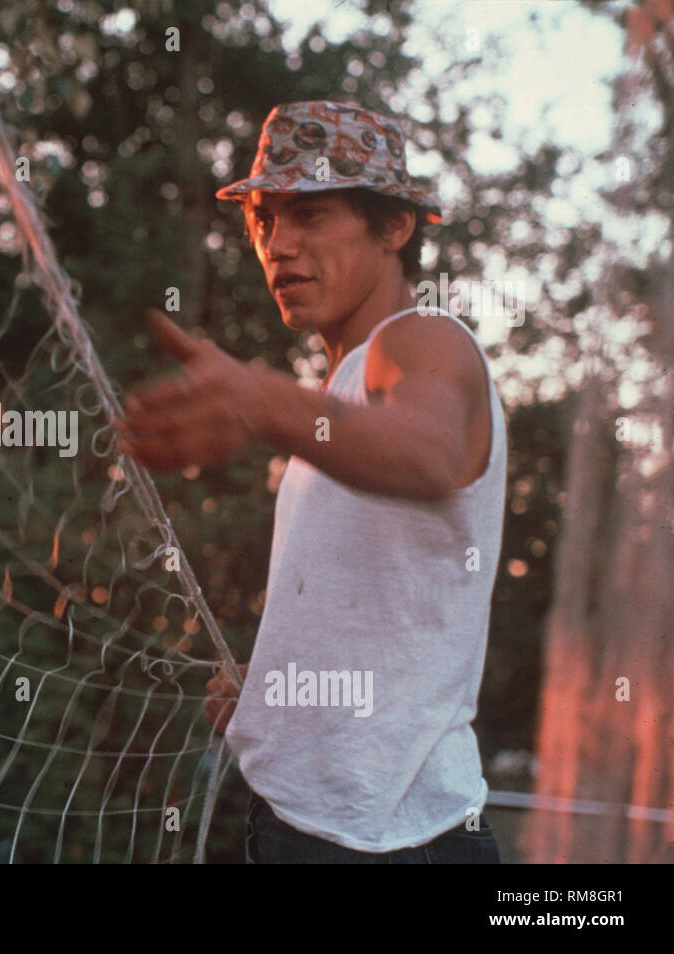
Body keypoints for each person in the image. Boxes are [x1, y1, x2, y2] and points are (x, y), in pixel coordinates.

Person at [117, 101, 506, 863]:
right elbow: (385, 617)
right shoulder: (342, 395)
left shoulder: (424, 342)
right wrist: (280, 691)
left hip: (386, 840)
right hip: (311, 822)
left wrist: (259, 399)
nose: (277, 245)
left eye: (311, 215)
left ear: (395, 227)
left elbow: (427, 452)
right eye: (263, 221)